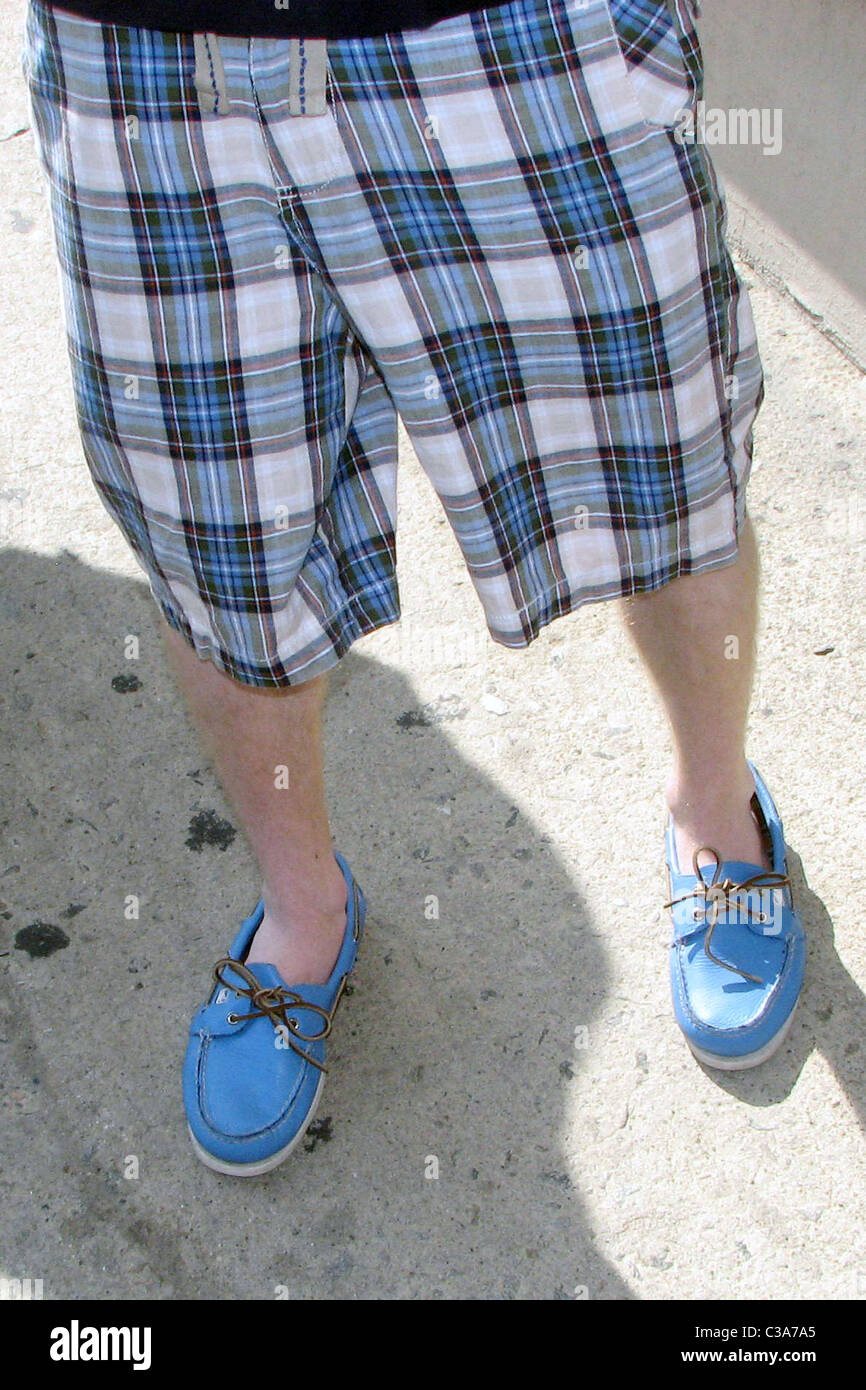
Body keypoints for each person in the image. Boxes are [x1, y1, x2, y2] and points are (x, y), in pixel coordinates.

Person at [21, 0, 805, 1176]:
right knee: (220, 556)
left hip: (498, 27)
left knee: (664, 463)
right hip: (141, 59)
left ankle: (715, 820)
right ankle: (304, 917)